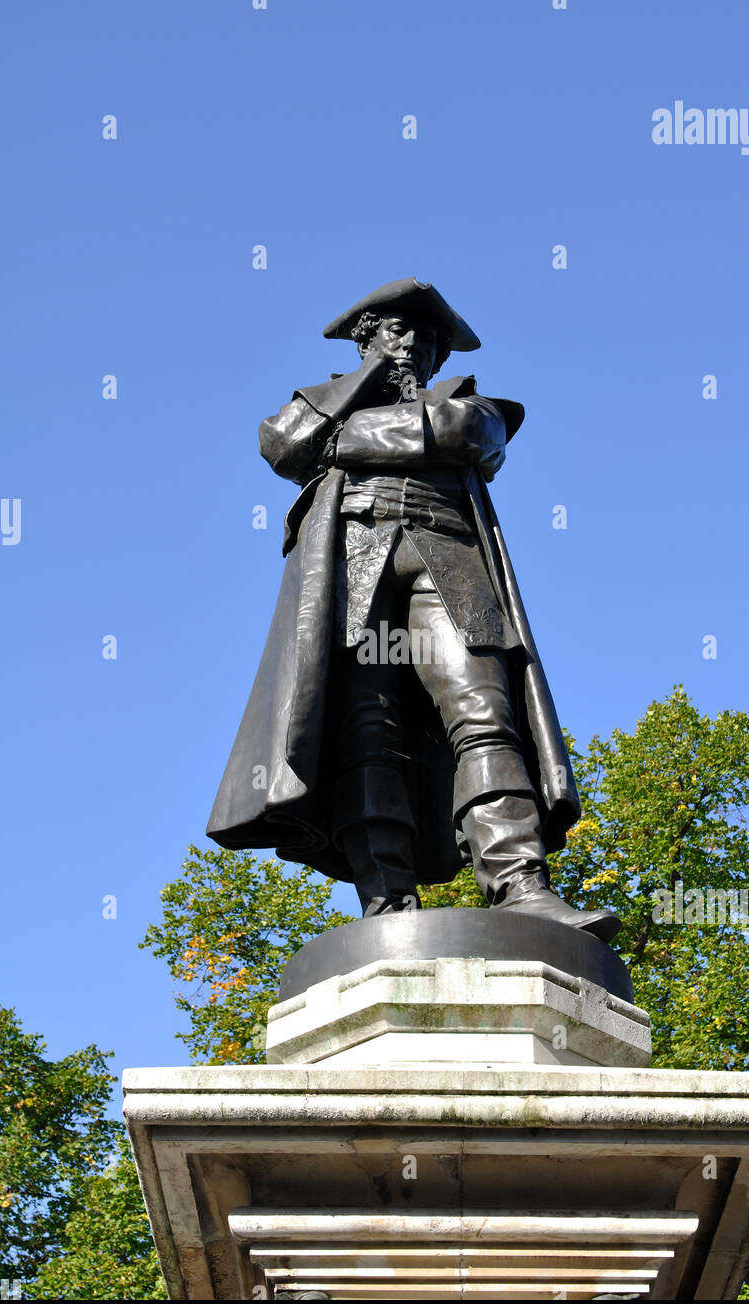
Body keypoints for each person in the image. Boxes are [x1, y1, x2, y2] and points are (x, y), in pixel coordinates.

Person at [207, 278, 619, 941]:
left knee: (484, 712)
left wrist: (342, 438)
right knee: (366, 733)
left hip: (446, 557)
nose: (416, 347)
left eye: (429, 340)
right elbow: (285, 444)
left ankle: (520, 888)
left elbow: (465, 436)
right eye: (399, 333)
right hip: (350, 565)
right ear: (368, 339)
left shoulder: (470, 402)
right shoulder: (317, 401)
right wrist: (362, 387)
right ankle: (385, 901)